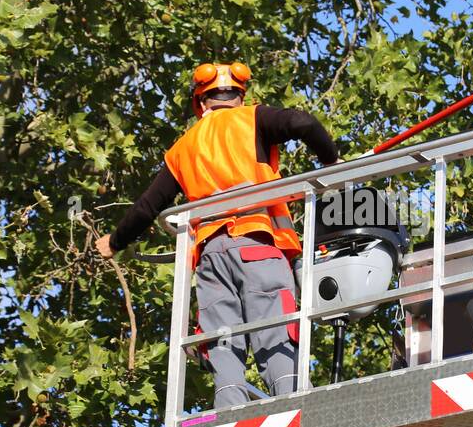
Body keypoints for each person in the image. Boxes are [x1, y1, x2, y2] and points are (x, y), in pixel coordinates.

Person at [96, 61, 340, 408]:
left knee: (221, 339)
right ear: (240, 97)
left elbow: (147, 207)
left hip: (211, 259)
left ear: (200, 104)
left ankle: (229, 412)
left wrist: (115, 241)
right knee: (274, 328)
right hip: (257, 246)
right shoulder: (252, 118)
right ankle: (293, 405)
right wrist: (331, 161)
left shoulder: (183, 147)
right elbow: (303, 122)